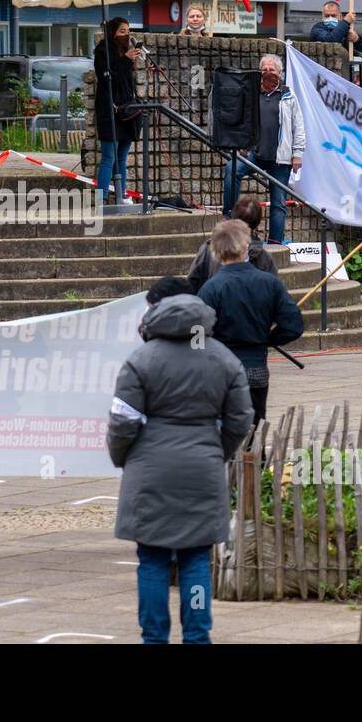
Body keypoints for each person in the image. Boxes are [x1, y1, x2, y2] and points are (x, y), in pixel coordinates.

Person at [108, 276, 253, 644]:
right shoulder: (224, 358)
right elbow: (240, 420)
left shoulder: (140, 360)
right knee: (195, 561)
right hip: (202, 468)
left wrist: (125, 457)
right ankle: (197, 636)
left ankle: (154, 637)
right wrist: (216, 450)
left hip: (150, 469)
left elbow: (122, 422)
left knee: (153, 561)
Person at [197, 220, 304, 424]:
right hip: (256, 369)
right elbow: (293, 325)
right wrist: (269, 339)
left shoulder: (210, 289)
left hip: (220, 371)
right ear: (246, 245)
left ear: (216, 252)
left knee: (221, 431)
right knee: (255, 432)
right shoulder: (269, 283)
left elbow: (197, 335)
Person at [221, 54, 306, 244]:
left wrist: (297, 154)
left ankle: (275, 243)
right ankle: (228, 214)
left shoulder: (288, 96)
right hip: (255, 154)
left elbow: (298, 127)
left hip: (280, 158)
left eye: (272, 70)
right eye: (265, 70)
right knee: (231, 168)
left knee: (278, 203)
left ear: (280, 73)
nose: (268, 73)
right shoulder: (252, 93)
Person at [93, 17, 143, 205]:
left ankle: (121, 195)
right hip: (110, 111)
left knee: (122, 157)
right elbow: (107, 78)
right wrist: (125, 60)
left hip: (126, 111)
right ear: (112, 32)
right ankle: (101, 197)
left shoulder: (124, 51)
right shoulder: (102, 51)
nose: (126, 35)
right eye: (122, 31)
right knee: (108, 157)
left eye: (128, 31)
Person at [188, 196, 278, 292]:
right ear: (258, 221)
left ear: (233, 216)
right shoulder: (264, 258)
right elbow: (274, 292)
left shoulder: (208, 250)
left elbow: (191, 283)